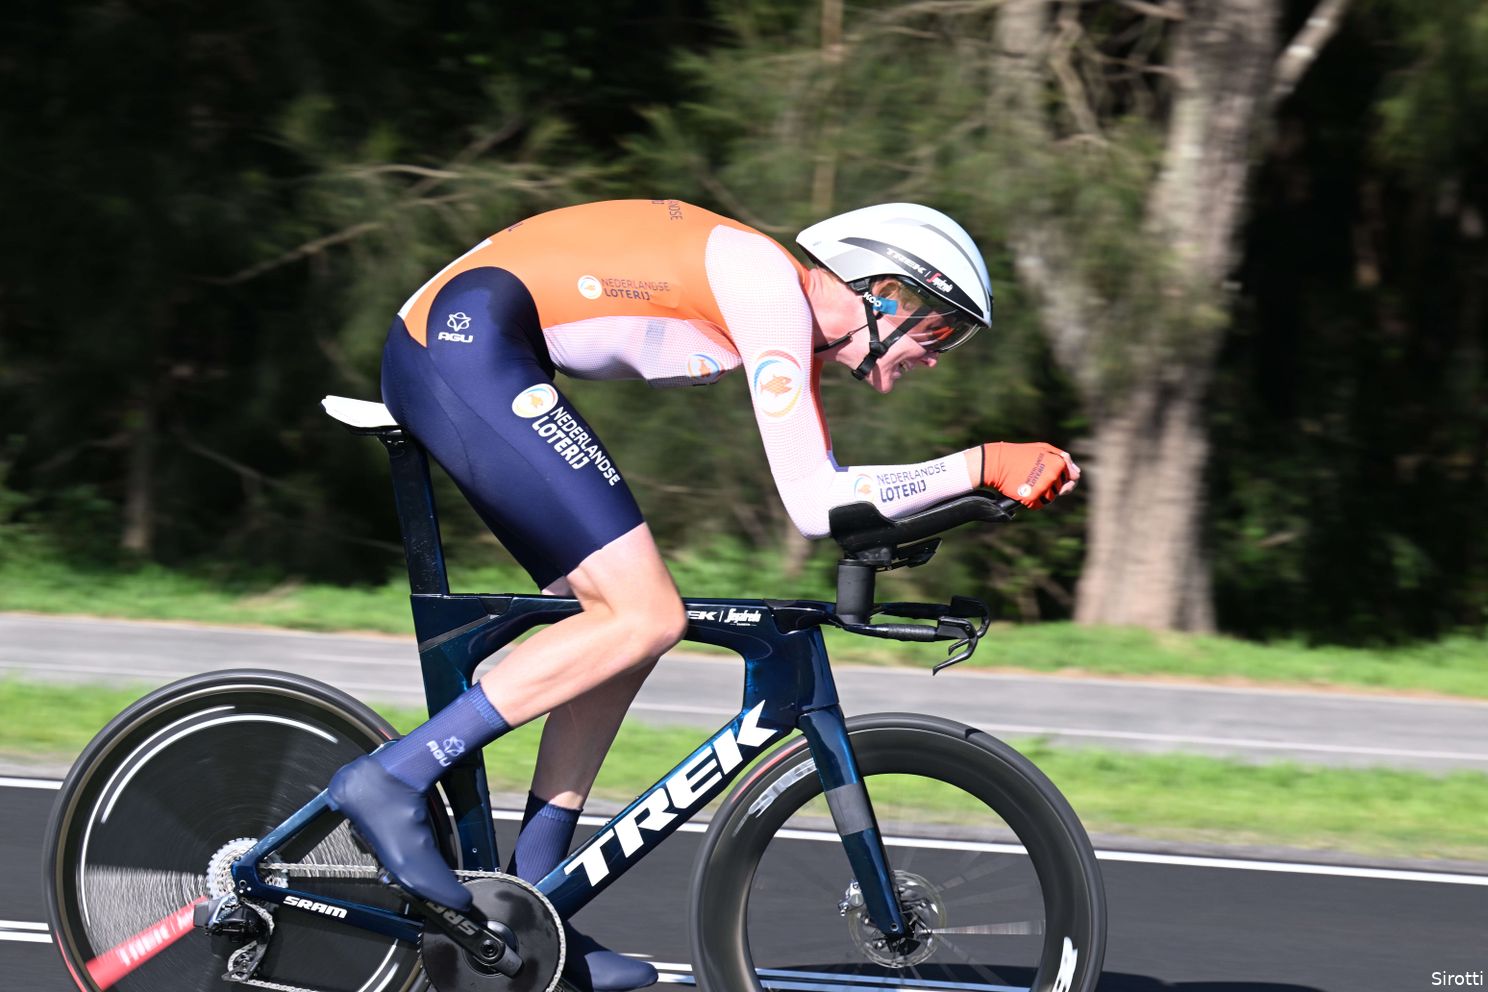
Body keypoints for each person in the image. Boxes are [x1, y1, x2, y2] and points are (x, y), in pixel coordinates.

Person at [326, 199, 1079, 990]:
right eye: (939, 330)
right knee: (648, 614)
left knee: (616, 638)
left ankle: (533, 906)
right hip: (461, 341)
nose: (936, 355)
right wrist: (979, 462)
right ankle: (395, 777)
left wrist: (966, 490)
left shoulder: (778, 305)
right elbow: (813, 501)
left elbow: (834, 497)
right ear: (885, 293)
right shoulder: (769, 290)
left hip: (480, 345)